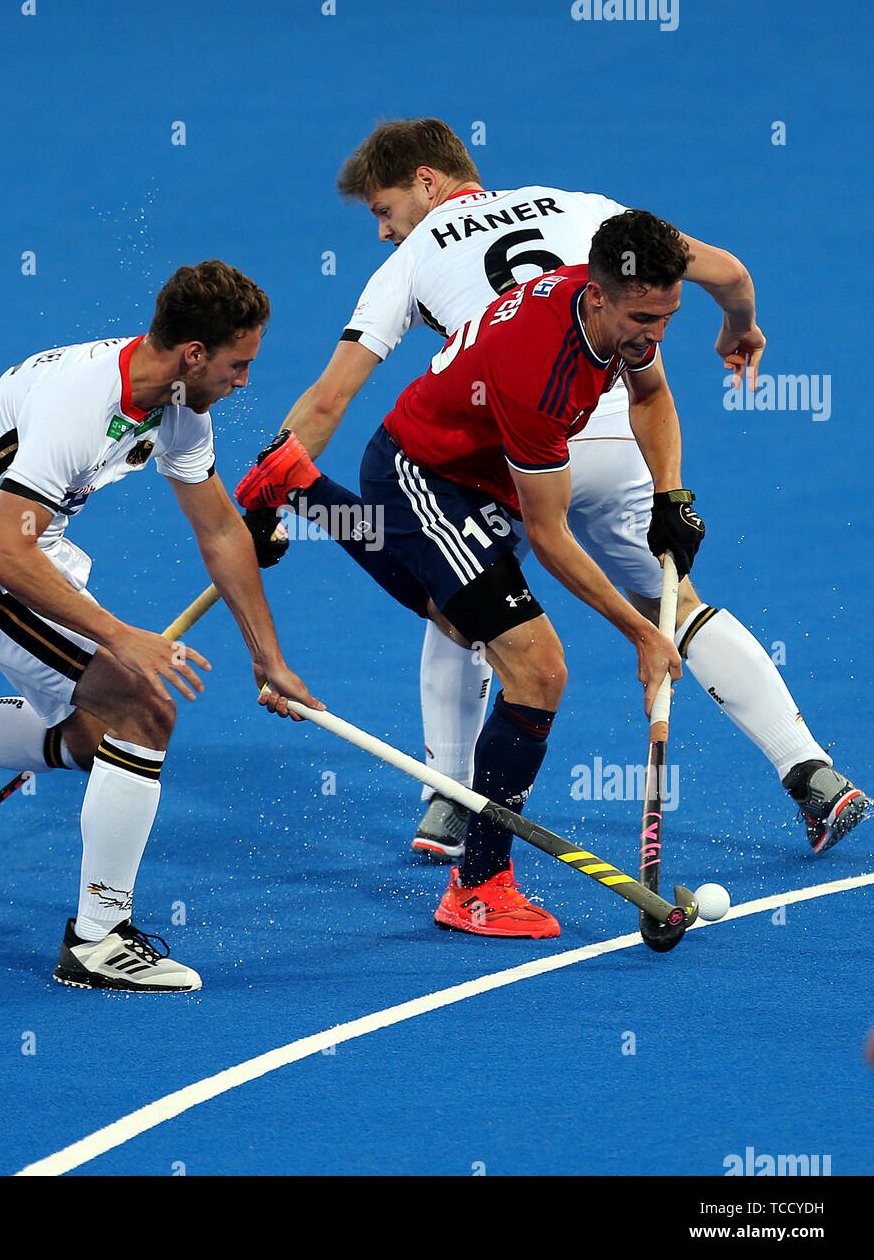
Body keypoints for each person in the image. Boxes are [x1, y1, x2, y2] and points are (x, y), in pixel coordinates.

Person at [236, 118, 868, 861]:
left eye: (383, 209)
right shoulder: (592, 212)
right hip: (610, 423)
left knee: (475, 608)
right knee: (676, 604)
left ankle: (451, 796)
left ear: (429, 182)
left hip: (516, 442)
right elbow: (727, 272)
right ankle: (812, 773)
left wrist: (264, 504)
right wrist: (741, 329)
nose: (382, 230)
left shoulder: (410, 259)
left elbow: (327, 400)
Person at [0, 260, 321, 992]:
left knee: (98, 741)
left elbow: (221, 528)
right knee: (142, 708)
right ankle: (99, 939)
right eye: (238, 363)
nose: (244, 380)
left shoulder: (182, 404)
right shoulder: (82, 402)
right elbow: (2, 551)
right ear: (193, 355)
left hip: (32, 546)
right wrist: (126, 640)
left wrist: (268, 659)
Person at [245, 210, 695, 937]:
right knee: (538, 669)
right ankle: (478, 885)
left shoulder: (615, 306)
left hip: (478, 474)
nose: (658, 334)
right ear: (600, 297)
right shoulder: (541, 371)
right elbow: (548, 536)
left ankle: (299, 486)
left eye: (670, 316)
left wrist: (671, 493)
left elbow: (650, 396)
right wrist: (642, 633)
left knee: (462, 619)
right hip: (425, 474)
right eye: (646, 317)